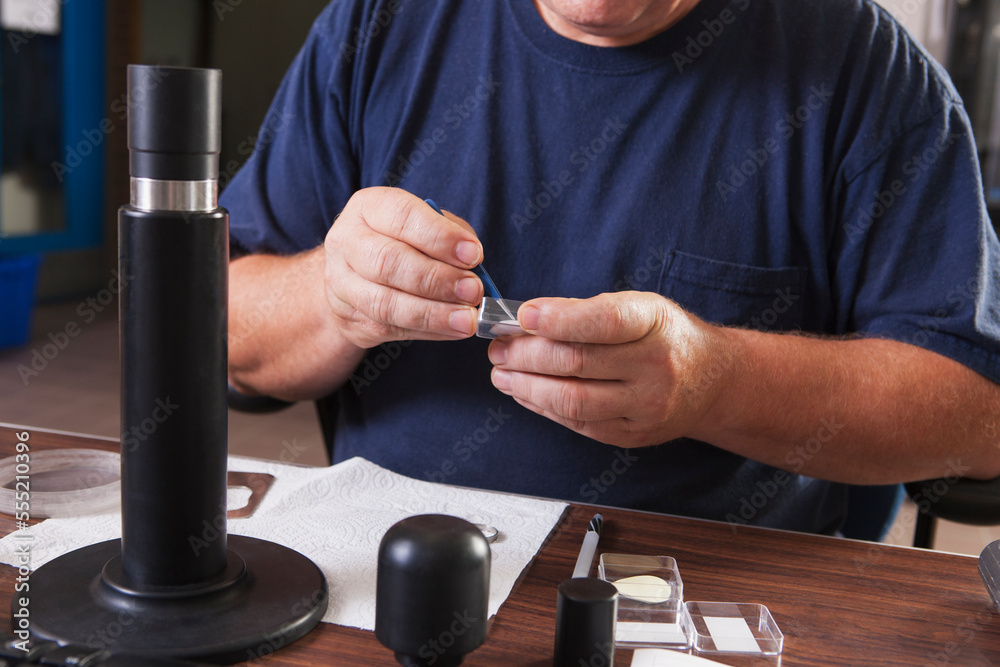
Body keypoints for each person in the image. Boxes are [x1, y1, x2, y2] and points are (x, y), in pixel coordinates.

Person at [222, 0, 1000, 535]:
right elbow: (217, 325)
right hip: (392, 569)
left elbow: (975, 411)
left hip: (711, 606)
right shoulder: (380, 26)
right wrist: (331, 294)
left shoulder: (865, 71)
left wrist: (718, 381)